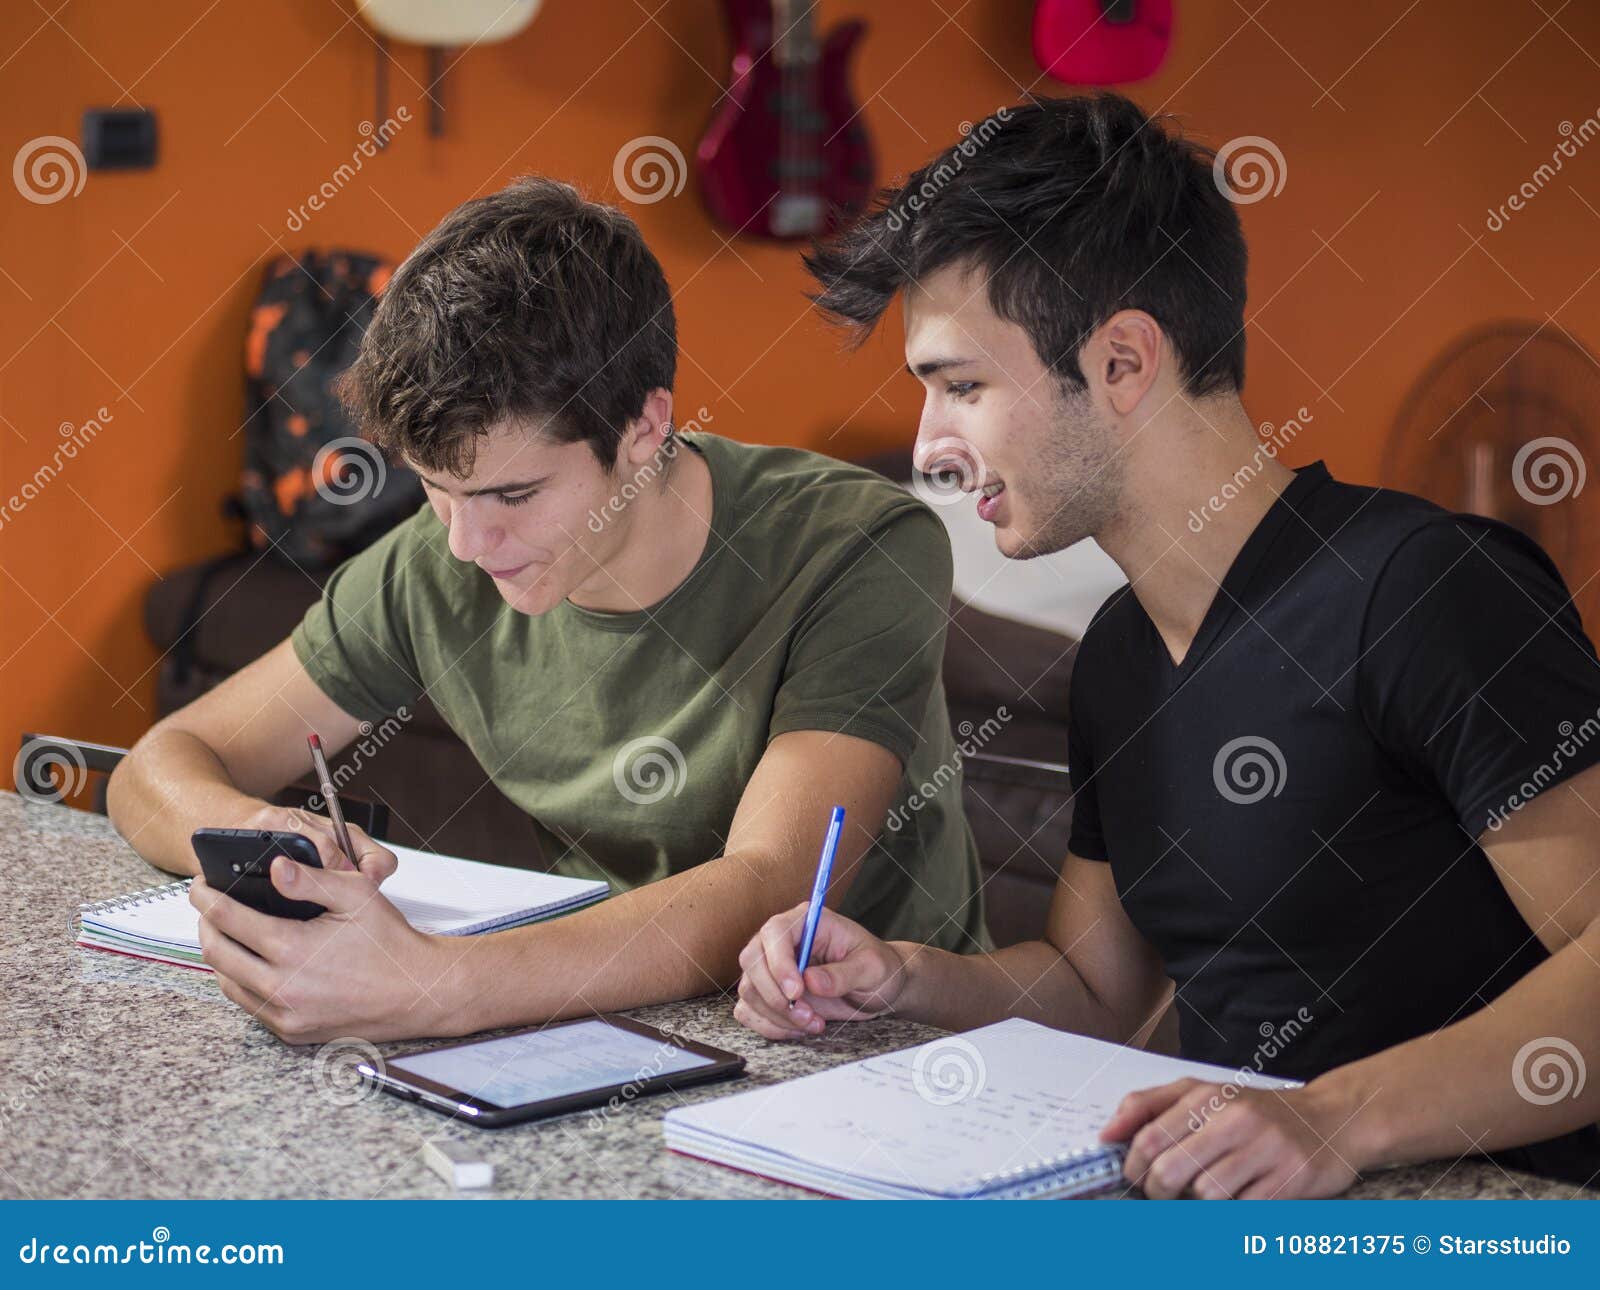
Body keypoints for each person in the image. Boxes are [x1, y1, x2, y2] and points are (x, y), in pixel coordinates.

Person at [734, 93, 1600, 1197]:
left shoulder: (1428, 591)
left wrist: (1333, 1119)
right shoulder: (1121, 653)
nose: (930, 447)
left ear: (1124, 362)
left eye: (961, 386)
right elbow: (1099, 993)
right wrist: (899, 976)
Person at [107, 177, 986, 1045]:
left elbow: (766, 886)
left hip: (881, 1052)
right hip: (601, 1030)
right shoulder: (434, 560)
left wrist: (433, 986)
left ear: (645, 429)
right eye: (438, 489)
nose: (464, 544)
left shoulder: (861, 547)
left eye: (513, 494)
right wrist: (269, 838)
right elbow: (156, 767)